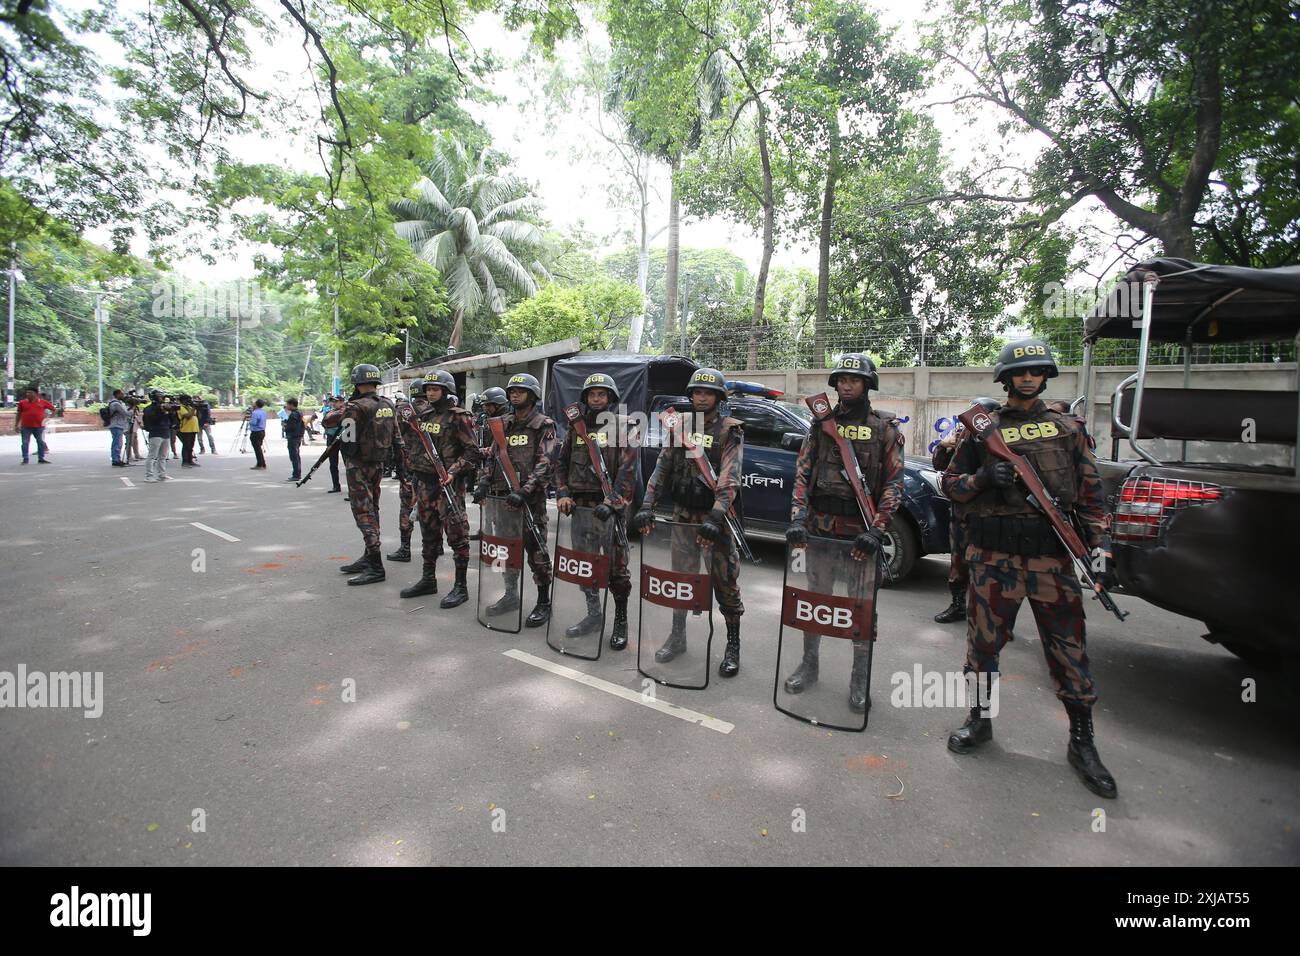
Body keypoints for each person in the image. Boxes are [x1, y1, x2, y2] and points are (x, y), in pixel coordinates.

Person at [941, 338, 1117, 799]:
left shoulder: (1068, 428)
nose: (1026, 377)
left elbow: (1092, 495)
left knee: (1068, 650)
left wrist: (1099, 553)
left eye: (1036, 371)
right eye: (1019, 372)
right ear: (1004, 378)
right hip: (993, 560)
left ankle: (1083, 743)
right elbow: (950, 485)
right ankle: (979, 724)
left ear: (1045, 376)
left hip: (1050, 560)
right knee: (982, 649)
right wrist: (982, 478)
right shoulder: (981, 431)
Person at [783, 354, 905, 710]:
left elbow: (894, 486)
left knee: (861, 608)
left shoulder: (885, 429)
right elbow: (803, 474)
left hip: (860, 537)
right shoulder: (821, 423)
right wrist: (797, 518)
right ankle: (809, 666)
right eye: (842, 379)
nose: (847, 385)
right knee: (815, 603)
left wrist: (878, 530)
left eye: (855, 379)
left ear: (868, 384)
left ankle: (859, 677)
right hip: (820, 530)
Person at [634, 367, 746, 677]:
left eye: (707, 393)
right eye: (696, 392)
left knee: (725, 584)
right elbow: (663, 466)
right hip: (683, 517)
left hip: (715, 521)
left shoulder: (729, 430)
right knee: (681, 582)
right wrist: (646, 504)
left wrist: (717, 514)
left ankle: (732, 645)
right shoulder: (680, 425)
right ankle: (678, 637)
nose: (701, 397)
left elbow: (730, 476)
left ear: (718, 397)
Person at [555, 372, 637, 650]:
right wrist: (563, 493)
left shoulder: (625, 427)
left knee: (617, 571)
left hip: (609, 511)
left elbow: (628, 472)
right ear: (586, 399)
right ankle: (593, 614)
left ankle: (621, 621)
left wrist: (612, 502)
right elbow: (561, 464)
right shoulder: (575, 427)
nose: (597, 398)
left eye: (602, 394)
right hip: (579, 509)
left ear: (611, 398)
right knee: (584, 566)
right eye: (592, 394)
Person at [474, 372, 557, 627]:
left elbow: (546, 462)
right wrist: (484, 481)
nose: (514, 394)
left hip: (529, 501)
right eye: (512, 391)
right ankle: (511, 595)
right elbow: (494, 456)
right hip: (502, 500)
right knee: (505, 552)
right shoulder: (502, 423)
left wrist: (526, 490)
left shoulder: (544, 424)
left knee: (537, 553)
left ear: (532, 395)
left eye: (520, 391)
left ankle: (544, 601)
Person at [395, 371, 481, 606]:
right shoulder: (423, 416)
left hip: (448, 487)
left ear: (446, 390)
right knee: (428, 534)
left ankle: (461, 587)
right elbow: (413, 444)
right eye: (428, 388)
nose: (431, 392)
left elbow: (472, 451)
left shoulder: (458, 417)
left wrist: (453, 471)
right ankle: (428, 579)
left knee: (457, 535)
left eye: (436, 388)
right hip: (425, 484)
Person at [323, 364, 397, 586]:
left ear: (357, 383)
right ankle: (368, 557)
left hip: (359, 466)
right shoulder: (387, 403)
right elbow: (397, 435)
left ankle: (375, 566)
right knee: (373, 509)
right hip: (378, 464)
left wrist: (344, 407)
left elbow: (330, 422)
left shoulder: (356, 406)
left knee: (363, 513)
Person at [932, 398, 1000, 624]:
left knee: (990, 568)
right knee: (958, 563)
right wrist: (944, 445)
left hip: (989, 515)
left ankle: (989, 613)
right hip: (962, 514)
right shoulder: (962, 437)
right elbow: (940, 466)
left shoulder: (996, 440)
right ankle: (959, 605)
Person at [385, 387, 419, 564]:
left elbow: (393, 438)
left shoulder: (403, 412)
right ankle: (436, 546)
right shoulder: (435, 412)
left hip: (409, 466)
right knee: (436, 509)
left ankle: (405, 548)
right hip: (432, 469)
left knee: (407, 506)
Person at [142, 390, 177, 482]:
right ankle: (148, 476)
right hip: (155, 433)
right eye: (159, 396)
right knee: (152, 456)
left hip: (165, 432)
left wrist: (170, 411)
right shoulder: (149, 408)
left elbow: (172, 420)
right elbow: (152, 419)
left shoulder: (165, 408)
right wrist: (161, 411)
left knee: (163, 456)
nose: (162, 398)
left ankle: (162, 474)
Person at [14, 387, 54, 464]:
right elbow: (19, 414)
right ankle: (25, 458)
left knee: (40, 442)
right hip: (25, 426)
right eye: (27, 393)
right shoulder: (22, 403)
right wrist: (16, 424)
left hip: (39, 426)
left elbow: (54, 410)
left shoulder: (43, 402)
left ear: (36, 394)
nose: (28, 394)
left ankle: (41, 458)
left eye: (30, 393)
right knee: (25, 443)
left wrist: (48, 418)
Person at [321, 395, 345, 494]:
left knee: (348, 464)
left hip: (344, 438)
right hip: (331, 438)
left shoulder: (346, 411)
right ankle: (336, 485)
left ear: (342, 402)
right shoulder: (329, 412)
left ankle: (352, 490)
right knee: (333, 463)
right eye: (332, 401)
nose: (333, 403)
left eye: (336, 401)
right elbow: (324, 423)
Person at [107, 389, 132, 467]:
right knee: (117, 443)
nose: (123, 395)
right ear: (117, 394)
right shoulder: (116, 404)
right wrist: (132, 409)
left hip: (117, 425)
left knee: (117, 442)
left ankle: (116, 459)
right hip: (116, 425)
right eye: (122, 394)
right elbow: (125, 413)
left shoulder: (116, 403)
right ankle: (116, 460)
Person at [283, 398, 305, 481]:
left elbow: (292, 427)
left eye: (288, 404)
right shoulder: (299, 413)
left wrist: (286, 425)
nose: (287, 406)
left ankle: (296, 474)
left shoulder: (294, 415)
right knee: (296, 455)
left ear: (292, 404)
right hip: (297, 436)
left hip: (293, 437)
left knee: (294, 456)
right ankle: (297, 473)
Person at [176, 394, 201, 467]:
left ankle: (190, 460)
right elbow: (188, 416)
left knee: (191, 446)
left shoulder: (189, 407)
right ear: (183, 400)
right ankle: (185, 462)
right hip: (186, 429)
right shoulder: (181, 408)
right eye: (187, 400)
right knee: (186, 446)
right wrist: (193, 408)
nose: (189, 401)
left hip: (193, 429)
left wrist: (197, 408)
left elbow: (197, 416)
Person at [248, 400, 268, 469]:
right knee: (259, 448)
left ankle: (260, 464)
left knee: (257, 449)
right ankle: (262, 463)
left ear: (256, 405)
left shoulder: (255, 413)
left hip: (256, 431)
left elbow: (253, 422)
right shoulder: (263, 412)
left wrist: (249, 421)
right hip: (262, 431)